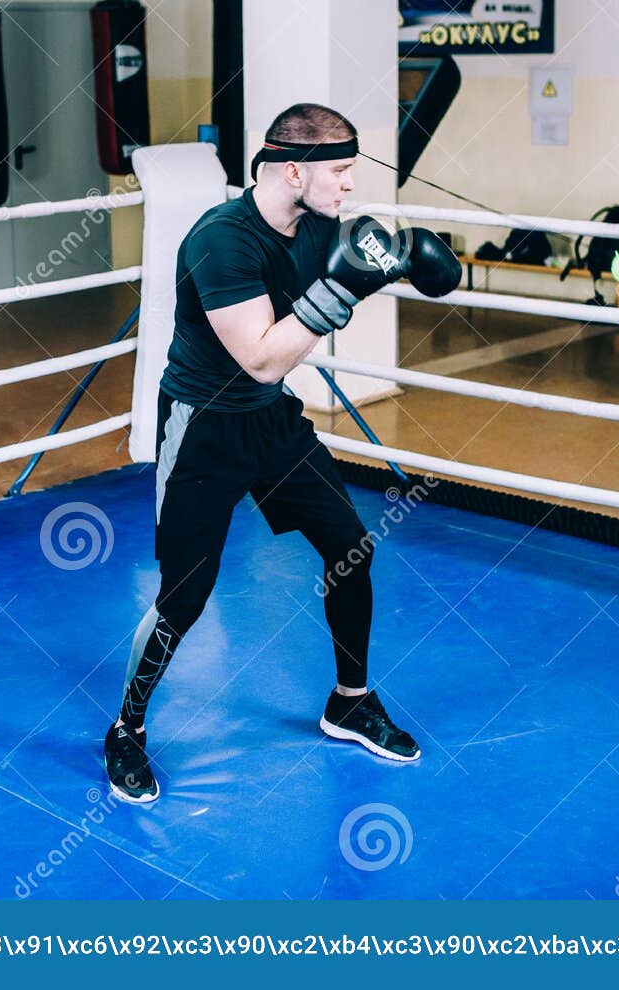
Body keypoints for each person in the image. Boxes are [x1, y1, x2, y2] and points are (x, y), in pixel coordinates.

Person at [103, 102, 462, 804]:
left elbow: (295, 347)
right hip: (204, 426)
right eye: (338, 171)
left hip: (271, 425)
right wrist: (341, 288)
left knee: (352, 547)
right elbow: (263, 358)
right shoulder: (220, 242)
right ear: (292, 169)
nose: (348, 185)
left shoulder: (321, 227)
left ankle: (350, 701)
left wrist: (406, 264)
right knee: (185, 596)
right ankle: (126, 730)